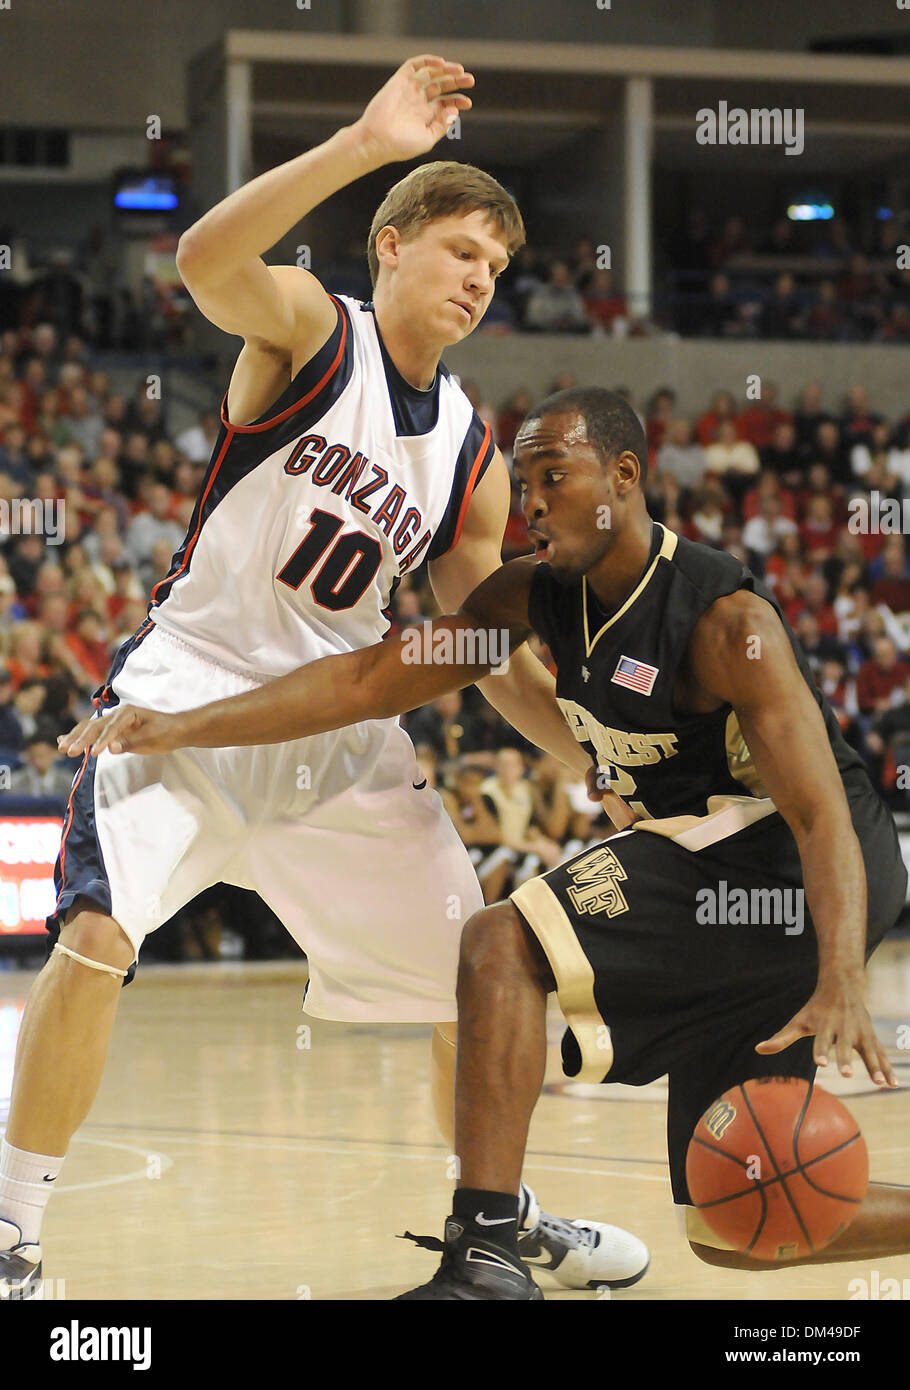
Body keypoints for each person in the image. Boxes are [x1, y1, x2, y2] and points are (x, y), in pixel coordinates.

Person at [0, 58, 647, 1301]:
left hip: (336, 730)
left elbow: (472, 644)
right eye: (458, 250)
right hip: (187, 695)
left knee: (483, 967)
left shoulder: (468, 446)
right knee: (93, 936)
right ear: (390, 247)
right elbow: (200, 261)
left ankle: (496, 1215)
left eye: (496, 269)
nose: (477, 280)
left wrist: (591, 752)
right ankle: (16, 1233)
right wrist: (361, 140)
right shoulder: (310, 328)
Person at [72, 385, 910, 1301]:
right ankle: (500, 1247)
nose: (534, 501)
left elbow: (826, 815)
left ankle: (486, 1254)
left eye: (556, 476)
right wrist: (185, 722)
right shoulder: (530, 597)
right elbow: (366, 681)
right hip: (721, 867)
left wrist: (840, 979)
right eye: (524, 482)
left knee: (501, 941)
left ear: (625, 478)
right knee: (734, 1216)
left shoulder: (725, 624)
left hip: (789, 865)